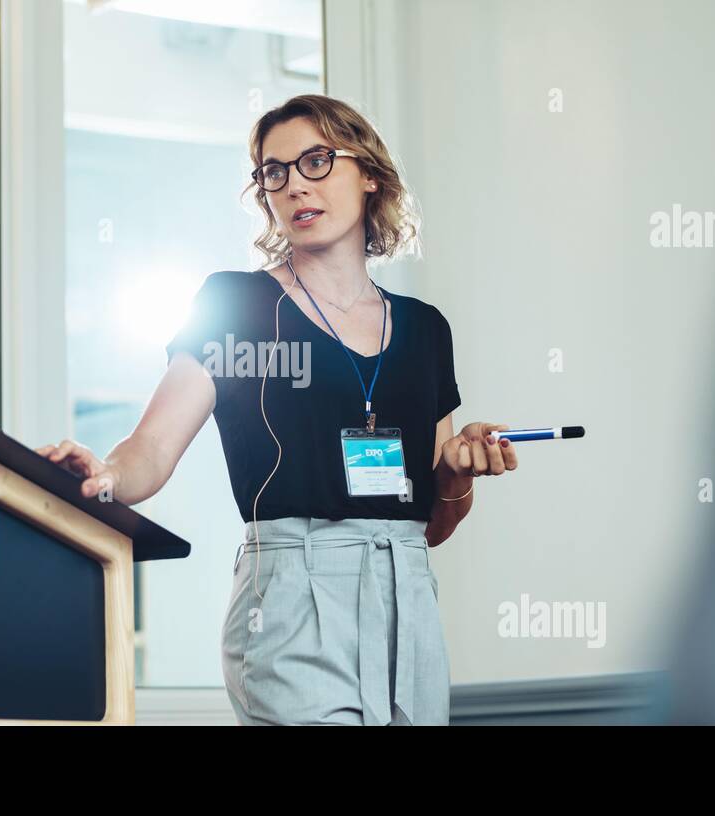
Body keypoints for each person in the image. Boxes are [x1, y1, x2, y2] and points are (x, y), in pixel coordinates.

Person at [38, 94, 519, 725]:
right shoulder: (235, 303)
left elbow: (429, 524)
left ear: (369, 173)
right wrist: (104, 475)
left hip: (408, 601)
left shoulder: (426, 330)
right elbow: (151, 449)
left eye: (316, 161)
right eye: (274, 172)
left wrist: (456, 474)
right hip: (290, 599)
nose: (294, 185)